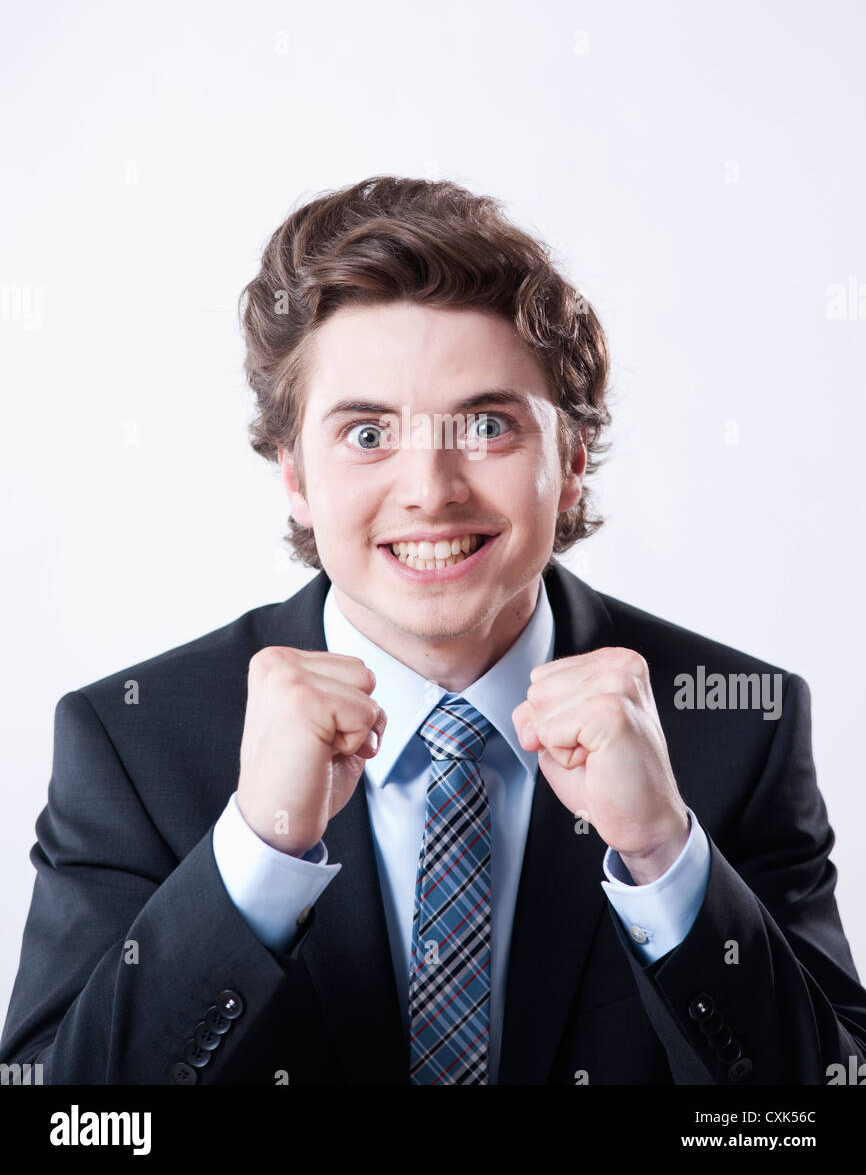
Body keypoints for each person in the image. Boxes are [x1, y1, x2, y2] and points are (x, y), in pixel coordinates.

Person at [2, 176, 865, 1085]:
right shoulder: (132, 741)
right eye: (368, 434)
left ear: (570, 461)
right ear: (294, 473)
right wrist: (254, 854)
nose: (431, 489)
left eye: (488, 425)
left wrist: (663, 858)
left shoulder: (738, 725)